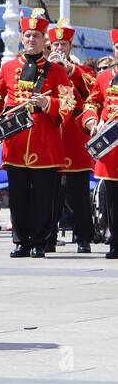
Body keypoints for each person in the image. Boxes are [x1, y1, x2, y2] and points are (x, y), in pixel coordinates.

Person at [0, 11, 74, 258]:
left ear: (45, 40)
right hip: (16, 143)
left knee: (43, 198)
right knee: (18, 197)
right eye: (28, 35)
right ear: (22, 38)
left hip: (45, 144)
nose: (31, 39)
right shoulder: (9, 68)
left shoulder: (56, 72)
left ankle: (40, 242)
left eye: (37, 36)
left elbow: (68, 104)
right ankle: (21, 241)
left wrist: (48, 102)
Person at [46, 24, 97, 253]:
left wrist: (69, 70)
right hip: (52, 137)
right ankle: (47, 237)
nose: (58, 47)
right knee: (51, 193)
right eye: (55, 44)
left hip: (75, 138)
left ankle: (84, 237)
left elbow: (94, 90)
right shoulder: (43, 70)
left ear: (70, 46)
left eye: (62, 44)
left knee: (79, 194)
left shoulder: (82, 70)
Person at [81, 29, 118, 258]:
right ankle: (115, 241)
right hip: (110, 148)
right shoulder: (104, 77)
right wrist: (92, 120)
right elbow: (91, 103)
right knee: (111, 198)